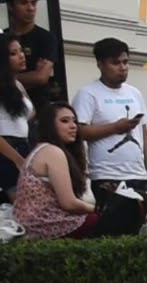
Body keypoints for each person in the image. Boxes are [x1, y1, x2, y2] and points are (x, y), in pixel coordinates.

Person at [71, 37, 147, 236]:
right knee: (112, 231)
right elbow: (80, 131)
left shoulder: (134, 93)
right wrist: (115, 128)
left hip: (137, 174)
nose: (122, 68)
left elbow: (144, 134)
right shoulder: (88, 94)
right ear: (100, 64)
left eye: (125, 62)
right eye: (115, 63)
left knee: (136, 230)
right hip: (107, 175)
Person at [12, 101, 98, 239]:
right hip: (43, 225)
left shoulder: (41, 149)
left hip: (31, 224)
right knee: (102, 220)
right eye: (65, 121)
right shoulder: (52, 152)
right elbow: (68, 203)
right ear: (49, 125)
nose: (73, 126)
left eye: (74, 121)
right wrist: (98, 210)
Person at [5, 0, 58, 114]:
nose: (30, 8)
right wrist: (30, 76)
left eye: (33, 3)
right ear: (11, 6)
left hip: (39, 105)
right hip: (7, 103)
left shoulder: (46, 38)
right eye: (24, 3)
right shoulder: (3, 38)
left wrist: (6, 78)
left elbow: (41, 77)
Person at [0, 32, 33, 200]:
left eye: (21, 51)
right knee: (19, 203)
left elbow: (29, 113)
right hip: (7, 148)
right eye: (13, 53)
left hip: (23, 145)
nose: (21, 56)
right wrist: (16, 158)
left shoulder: (17, 84)